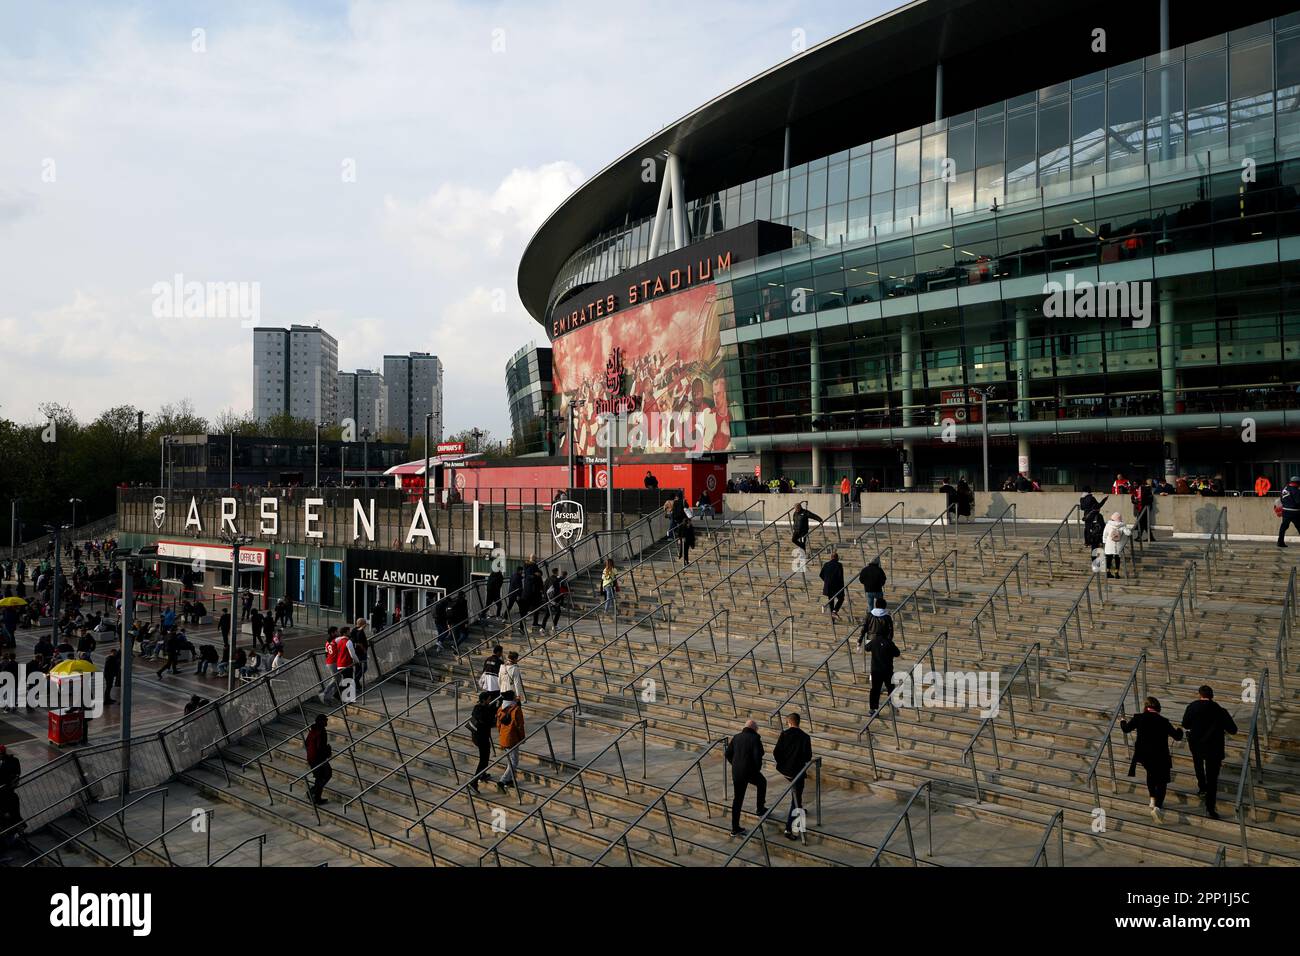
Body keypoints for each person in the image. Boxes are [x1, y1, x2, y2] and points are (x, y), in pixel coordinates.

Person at [1180, 685, 1238, 820]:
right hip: (1214, 748)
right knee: (1212, 778)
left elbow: (1186, 724)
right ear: (1212, 696)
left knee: (1198, 765)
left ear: (1200, 695)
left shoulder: (1192, 707)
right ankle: (1210, 808)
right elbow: (1233, 730)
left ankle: (1202, 787)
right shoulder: (1220, 710)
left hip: (1196, 745)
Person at [1121, 697, 1183, 822]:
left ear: (1146, 707)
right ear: (1158, 708)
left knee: (1150, 774)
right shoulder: (1163, 721)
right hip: (1160, 755)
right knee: (1162, 782)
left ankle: (1152, 799)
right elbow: (1177, 737)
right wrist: (1180, 730)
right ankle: (1157, 808)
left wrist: (1122, 721)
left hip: (1145, 755)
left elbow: (1126, 729)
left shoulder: (1138, 718)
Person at [772, 713, 813, 841]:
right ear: (798, 722)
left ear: (789, 723)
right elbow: (808, 756)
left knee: (797, 793)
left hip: (785, 770)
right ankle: (789, 828)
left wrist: (783, 763)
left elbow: (776, 752)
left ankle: (799, 807)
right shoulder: (805, 737)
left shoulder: (784, 734)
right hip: (797, 772)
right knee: (796, 795)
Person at [725, 719, 768, 836]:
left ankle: (735, 828)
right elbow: (759, 755)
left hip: (737, 772)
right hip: (749, 772)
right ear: (754, 729)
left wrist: (734, 764)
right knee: (762, 782)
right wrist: (756, 769)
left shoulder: (736, 737)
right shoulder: (755, 738)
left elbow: (727, 754)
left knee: (737, 799)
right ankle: (760, 808)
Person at [860, 598, 899, 714]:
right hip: (887, 669)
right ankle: (892, 702)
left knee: (875, 689)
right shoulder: (887, 620)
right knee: (890, 686)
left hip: (876, 669)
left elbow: (866, 648)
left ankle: (873, 708)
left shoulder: (874, 641)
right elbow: (897, 653)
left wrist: (860, 640)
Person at [496, 690, 526, 791]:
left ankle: (509, 779)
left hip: (504, 737)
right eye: (514, 696)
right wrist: (522, 738)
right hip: (512, 738)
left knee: (511, 760)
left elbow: (498, 725)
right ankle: (502, 781)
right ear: (512, 698)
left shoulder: (501, 708)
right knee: (514, 762)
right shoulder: (516, 709)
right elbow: (520, 725)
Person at [469, 691, 498, 793]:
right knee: (484, 760)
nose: (490, 700)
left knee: (485, 758)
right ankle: (474, 782)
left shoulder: (477, 708)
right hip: (482, 738)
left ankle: (482, 774)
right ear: (485, 700)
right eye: (489, 699)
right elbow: (490, 722)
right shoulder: (484, 711)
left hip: (476, 737)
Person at [305, 714, 333, 805]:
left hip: (312, 758)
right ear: (321, 721)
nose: (326, 722)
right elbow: (320, 747)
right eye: (325, 720)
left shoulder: (313, 730)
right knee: (326, 775)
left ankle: (314, 794)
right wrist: (327, 751)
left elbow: (306, 742)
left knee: (320, 777)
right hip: (318, 759)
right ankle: (315, 796)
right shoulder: (321, 732)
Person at [819, 551, 845, 619]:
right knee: (841, 598)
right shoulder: (839, 565)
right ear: (837, 558)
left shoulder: (826, 564)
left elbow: (821, 575)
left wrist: (827, 581)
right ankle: (835, 611)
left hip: (828, 587)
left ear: (831, 558)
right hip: (837, 586)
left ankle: (832, 619)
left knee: (831, 602)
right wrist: (842, 587)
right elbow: (840, 577)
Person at [1103, 511, 1127, 578]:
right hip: (1118, 545)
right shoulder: (1122, 526)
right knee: (1117, 558)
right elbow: (1128, 533)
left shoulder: (1108, 525)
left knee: (1108, 558)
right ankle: (1116, 573)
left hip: (1109, 545)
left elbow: (1105, 534)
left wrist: (1104, 542)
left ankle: (1107, 572)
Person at [1278, 477, 1300, 548]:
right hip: (1294, 512)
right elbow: (1298, 502)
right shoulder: (1295, 490)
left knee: (1283, 527)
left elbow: (1281, 499)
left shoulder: (1285, 488)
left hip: (1285, 511)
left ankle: (1280, 542)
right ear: (1297, 482)